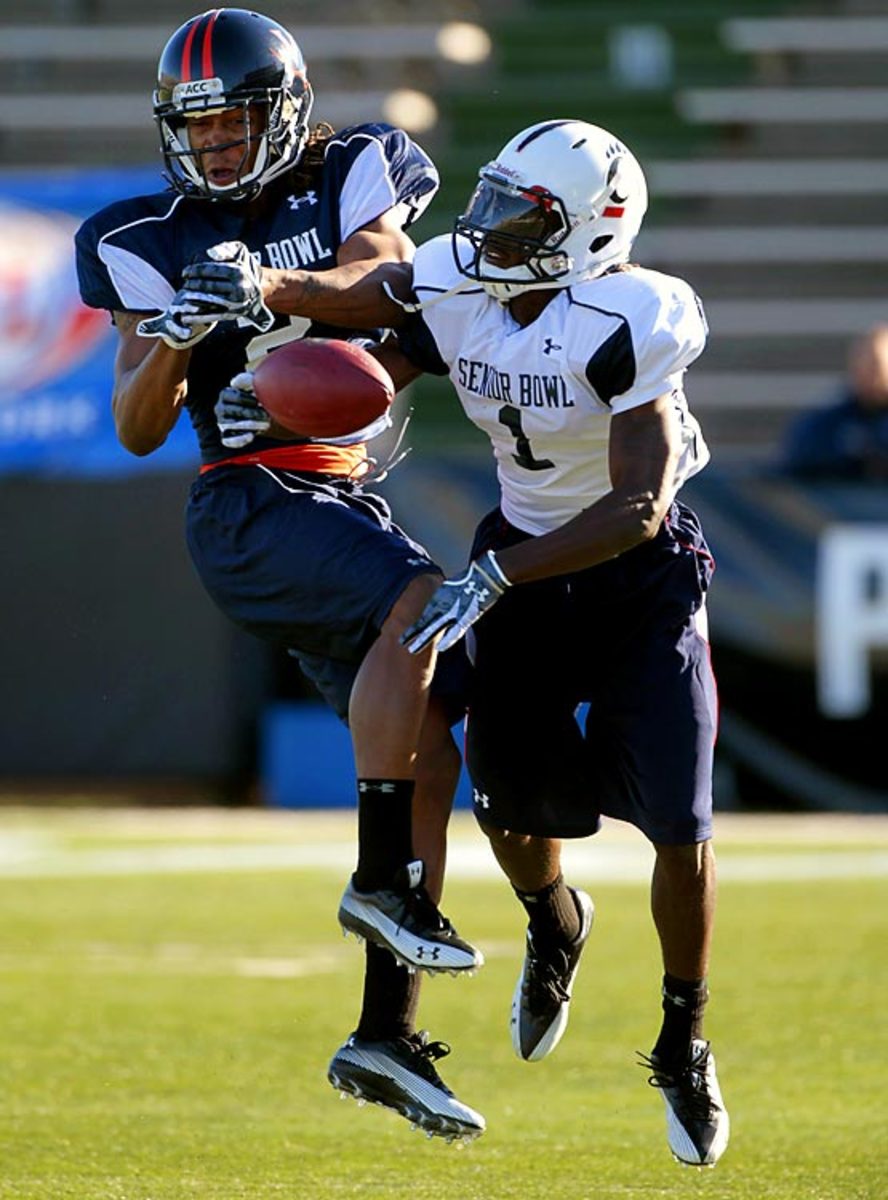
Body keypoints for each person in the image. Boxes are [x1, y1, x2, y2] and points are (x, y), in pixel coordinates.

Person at [73, 7, 484, 1142]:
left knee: (436, 729)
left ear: (286, 109)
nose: (212, 149)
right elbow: (136, 426)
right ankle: (380, 881)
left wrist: (271, 290)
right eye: (195, 129)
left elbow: (388, 287)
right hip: (249, 501)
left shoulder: (355, 167)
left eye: (233, 121)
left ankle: (384, 1033)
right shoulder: (144, 235)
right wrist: (174, 331)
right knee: (420, 607)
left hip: (339, 492)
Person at [308, 117, 730, 1166]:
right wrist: (303, 389)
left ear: (591, 231)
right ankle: (555, 919)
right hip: (526, 566)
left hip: (637, 582)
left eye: (519, 214)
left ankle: (683, 1038)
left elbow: (636, 503)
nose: (488, 227)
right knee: (508, 805)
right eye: (489, 200)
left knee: (678, 824)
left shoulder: (634, 314)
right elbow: (384, 340)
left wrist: (494, 573)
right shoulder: (465, 282)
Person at [779, 323, 888, 481]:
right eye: (866, 364)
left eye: (878, 365)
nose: (873, 375)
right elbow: (797, 467)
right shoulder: (823, 425)